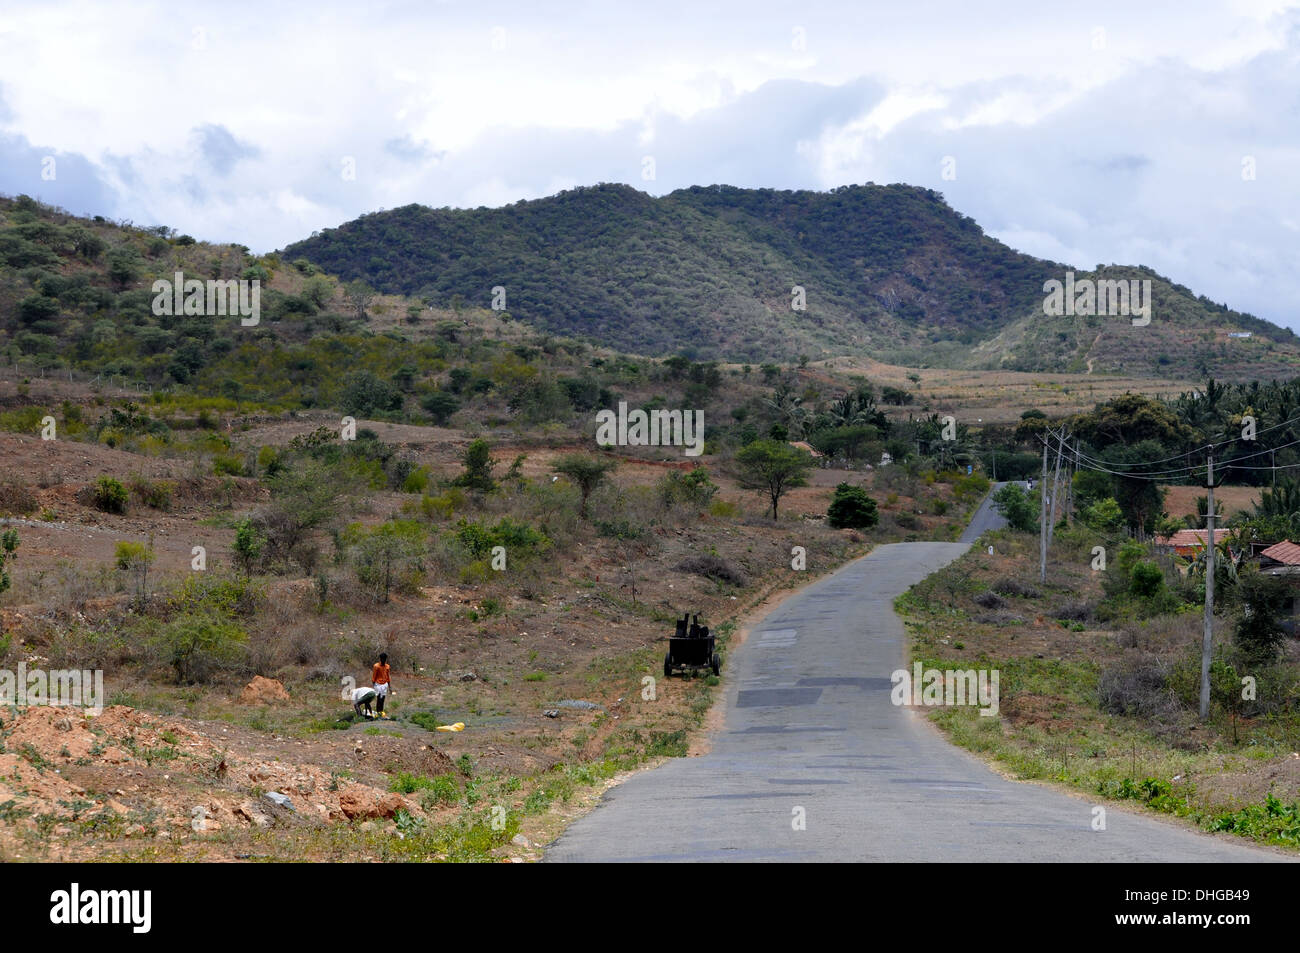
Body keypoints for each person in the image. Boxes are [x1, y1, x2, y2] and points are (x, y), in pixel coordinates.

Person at [371, 653, 392, 718]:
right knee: (378, 698)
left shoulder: (387, 666)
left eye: (384, 659)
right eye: (382, 659)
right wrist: (374, 686)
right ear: (380, 659)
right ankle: (377, 712)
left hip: (384, 684)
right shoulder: (376, 666)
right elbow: (374, 676)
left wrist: (390, 687)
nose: (383, 660)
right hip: (378, 684)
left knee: (382, 698)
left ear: (386, 659)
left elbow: (388, 676)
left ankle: (381, 712)